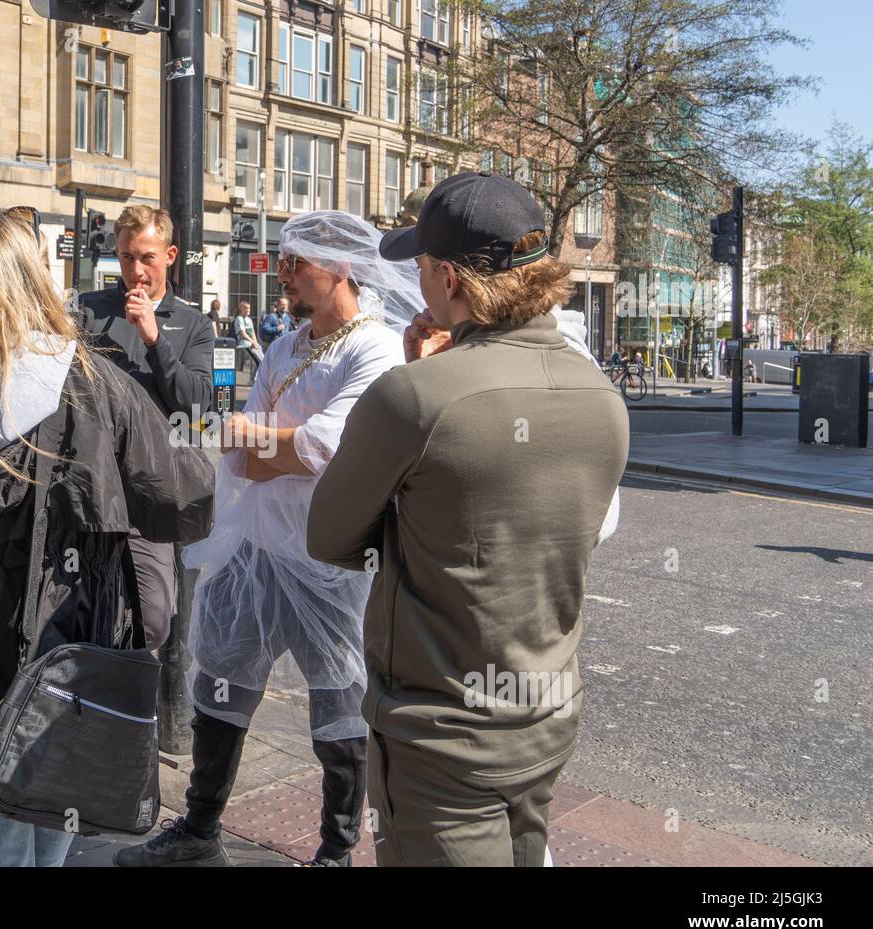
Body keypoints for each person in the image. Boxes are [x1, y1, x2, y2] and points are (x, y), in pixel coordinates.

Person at [308, 172, 629, 866]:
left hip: (441, 738)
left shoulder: (413, 399)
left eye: (421, 266)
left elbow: (329, 536)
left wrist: (419, 392)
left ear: (449, 279)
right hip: (546, 715)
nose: (417, 282)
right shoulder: (604, 398)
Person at [0, 211, 214, 865]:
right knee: (55, 811)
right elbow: (186, 495)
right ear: (38, 277)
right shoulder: (93, 380)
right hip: (67, 620)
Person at [114, 210, 425, 868]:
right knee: (222, 684)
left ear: (340, 268)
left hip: (331, 559)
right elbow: (244, 458)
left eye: (295, 262)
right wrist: (272, 445)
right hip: (256, 549)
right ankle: (200, 830)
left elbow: (326, 448)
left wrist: (267, 442)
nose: (281, 274)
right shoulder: (286, 345)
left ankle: (336, 852)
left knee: (339, 707)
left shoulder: (375, 348)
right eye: (281, 261)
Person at [76, 206, 215, 652]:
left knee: (153, 618)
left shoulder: (193, 324)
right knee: (78, 606)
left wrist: (156, 340)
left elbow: (195, 405)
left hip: (152, 487)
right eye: (125, 257)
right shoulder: (88, 310)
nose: (135, 270)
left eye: (147, 257)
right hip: (90, 481)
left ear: (170, 254)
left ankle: (129, 695)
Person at [232, 301, 264, 379]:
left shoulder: (249, 320)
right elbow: (243, 334)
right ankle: (253, 379)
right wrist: (252, 342)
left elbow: (252, 333)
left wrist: (256, 342)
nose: (248, 310)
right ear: (241, 309)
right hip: (245, 344)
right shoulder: (239, 319)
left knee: (262, 360)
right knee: (258, 361)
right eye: (245, 308)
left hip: (252, 343)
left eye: (249, 308)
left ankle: (255, 378)